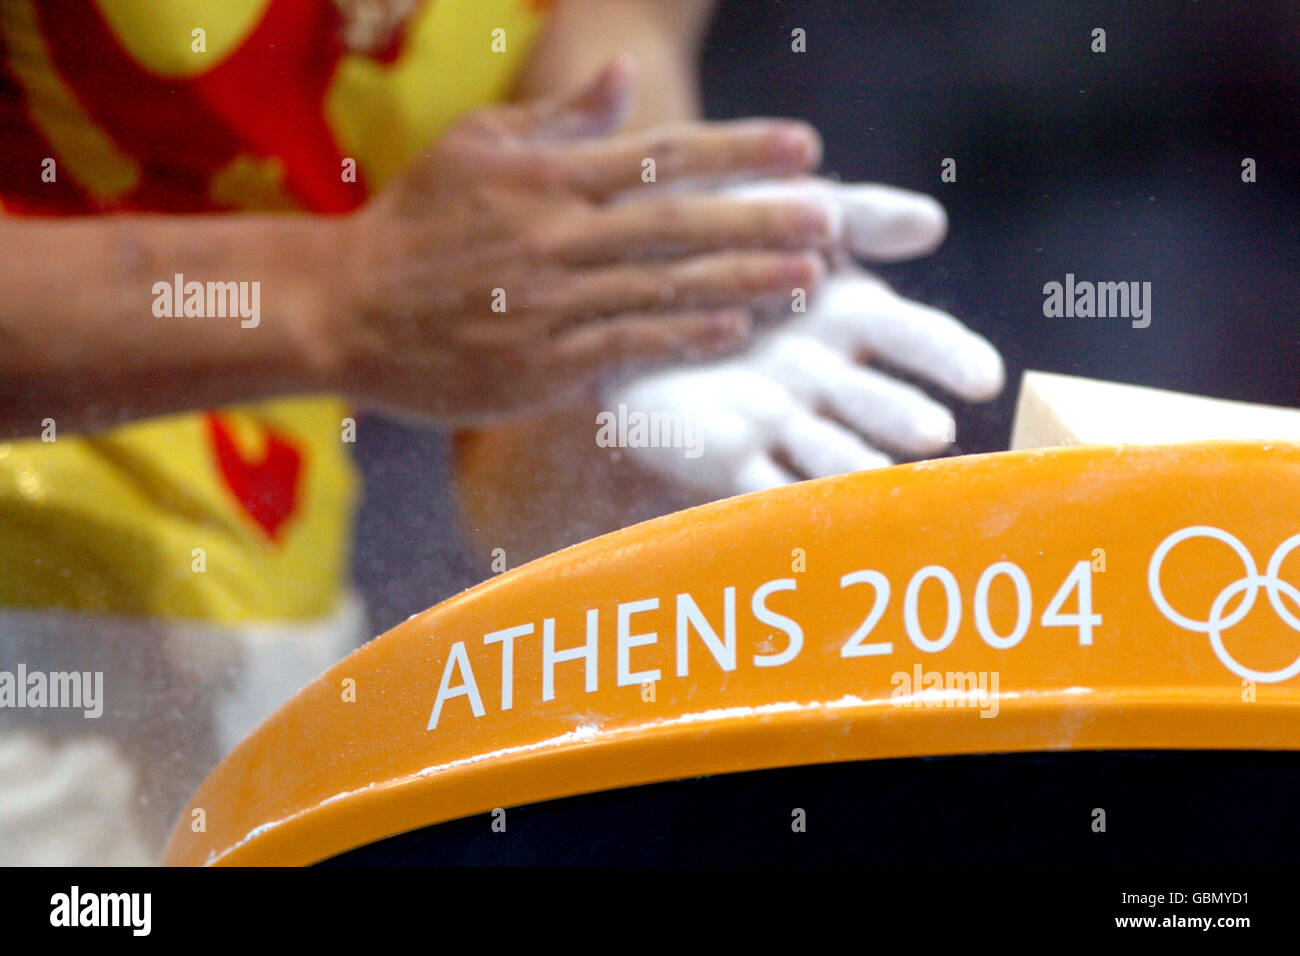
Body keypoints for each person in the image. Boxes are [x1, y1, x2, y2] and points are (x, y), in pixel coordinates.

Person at [0, 0, 998, 864]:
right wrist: (337, 296)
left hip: (264, 661)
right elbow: (377, 304)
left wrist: (645, 360)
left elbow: (509, 498)